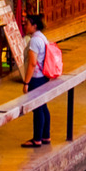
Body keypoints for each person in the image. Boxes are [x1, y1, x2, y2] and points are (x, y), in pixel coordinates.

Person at [20, 14, 54, 148]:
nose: (25, 25)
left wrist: (26, 82)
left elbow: (32, 63)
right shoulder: (42, 37)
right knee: (43, 107)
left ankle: (37, 139)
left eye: (27, 23)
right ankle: (46, 136)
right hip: (44, 77)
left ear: (34, 26)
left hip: (36, 78)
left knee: (37, 109)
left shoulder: (34, 41)